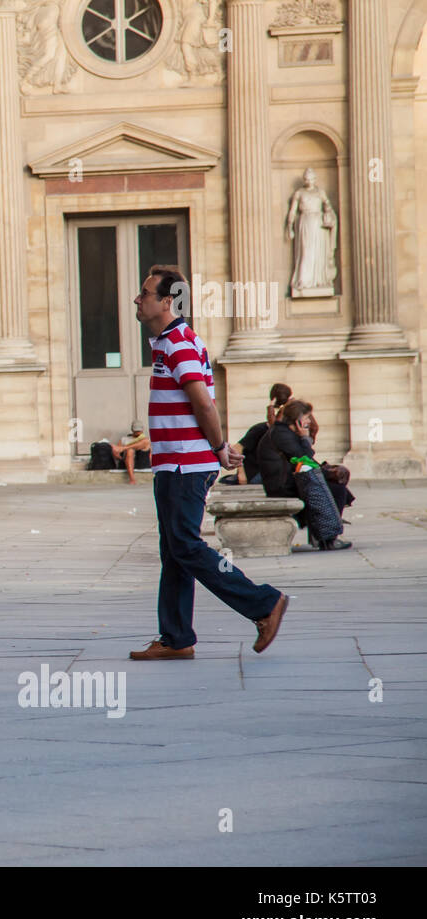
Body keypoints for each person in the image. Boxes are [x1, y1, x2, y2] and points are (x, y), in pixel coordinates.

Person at [129, 265, 289, 660]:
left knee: (184, 544)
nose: (137, 299)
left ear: (167, 302)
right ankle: (176, 637)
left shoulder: (179, 342)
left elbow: (202, 401)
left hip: (185, 464)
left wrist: (219, 447)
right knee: (174, 549)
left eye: (145, 293)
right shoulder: (170, 341)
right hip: (174, 463)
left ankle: (262, 603)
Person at [257, 399, 352, 550]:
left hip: (289, 481)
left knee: (335, 484)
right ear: (298, 419)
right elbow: (305, 458)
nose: (309, 420)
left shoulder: (283, 431)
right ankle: (328, 539)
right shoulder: (281, 434)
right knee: (337, 489)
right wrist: (304, 437)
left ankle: (322, 534)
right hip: (282, 487)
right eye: (307, 417)